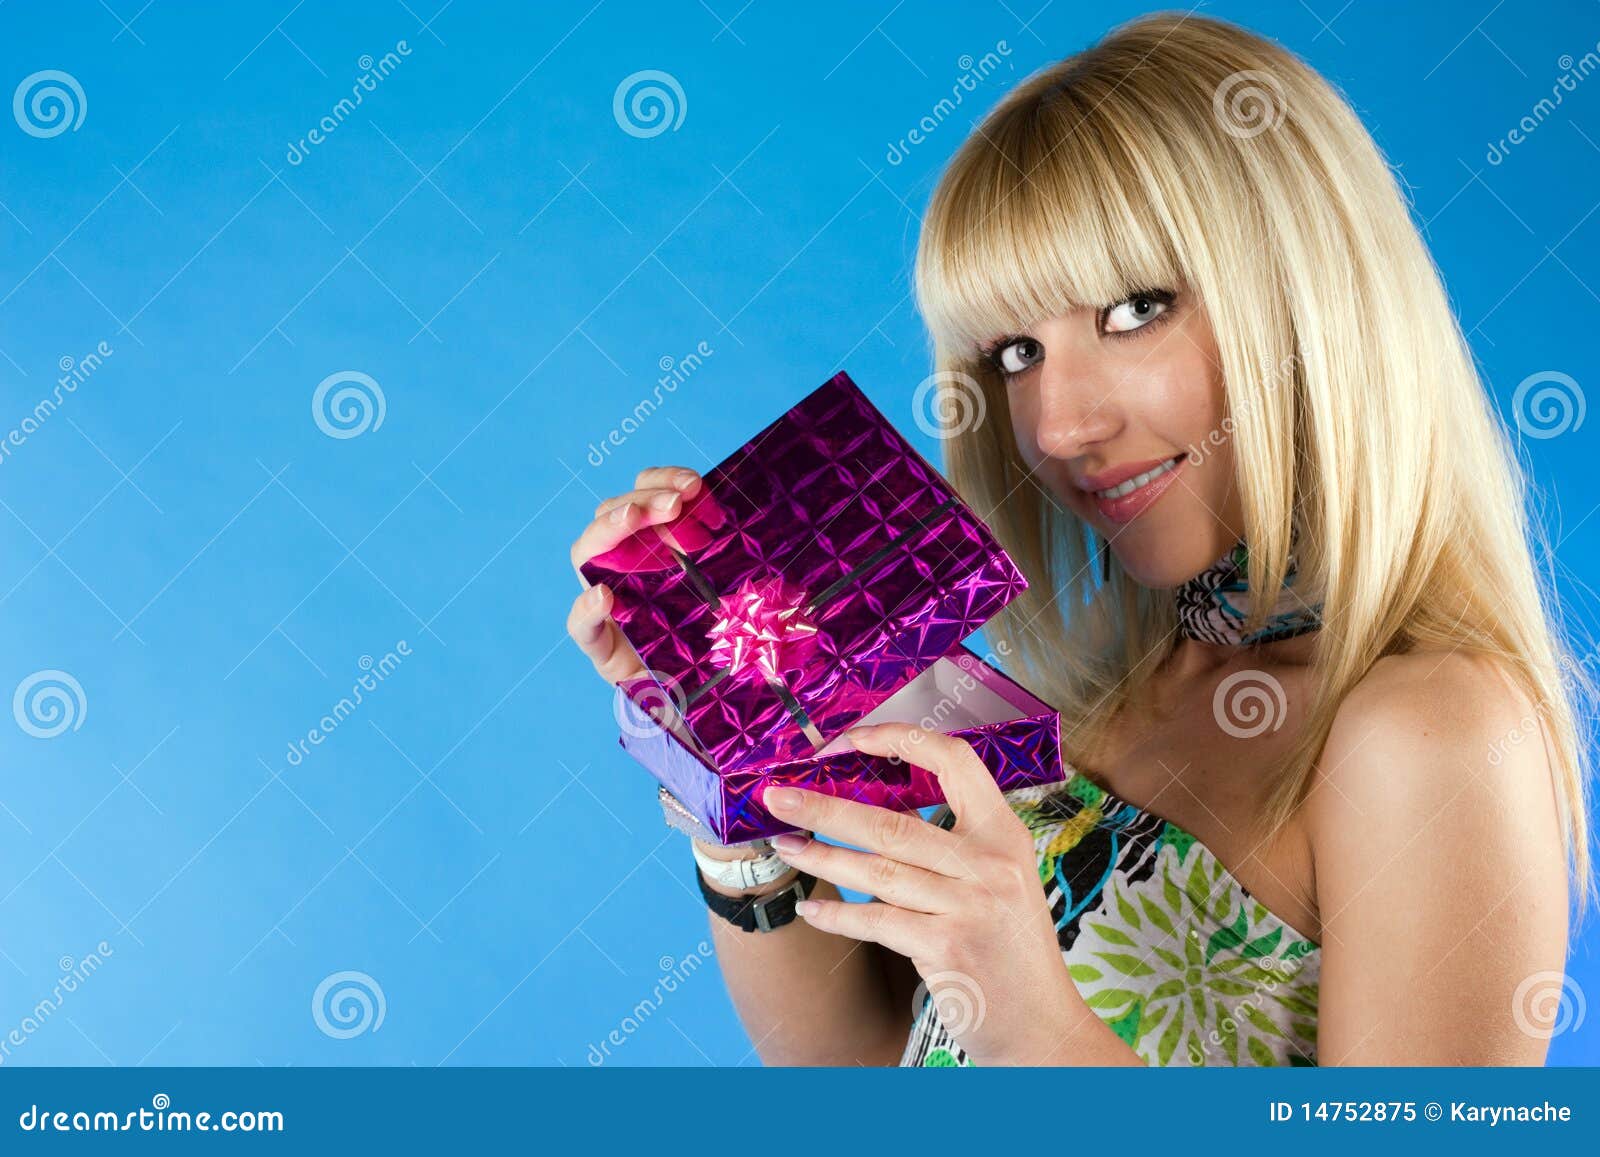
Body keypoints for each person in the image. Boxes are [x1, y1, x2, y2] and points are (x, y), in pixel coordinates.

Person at [567, 11, 1593, 1066]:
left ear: (1308, 299)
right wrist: (725, 749)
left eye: (1135, 308)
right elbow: (867, 1066)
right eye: (1016, 349)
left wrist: (1037, 1023)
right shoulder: (1101, 694)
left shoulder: (1431, 730)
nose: (1058, 427)